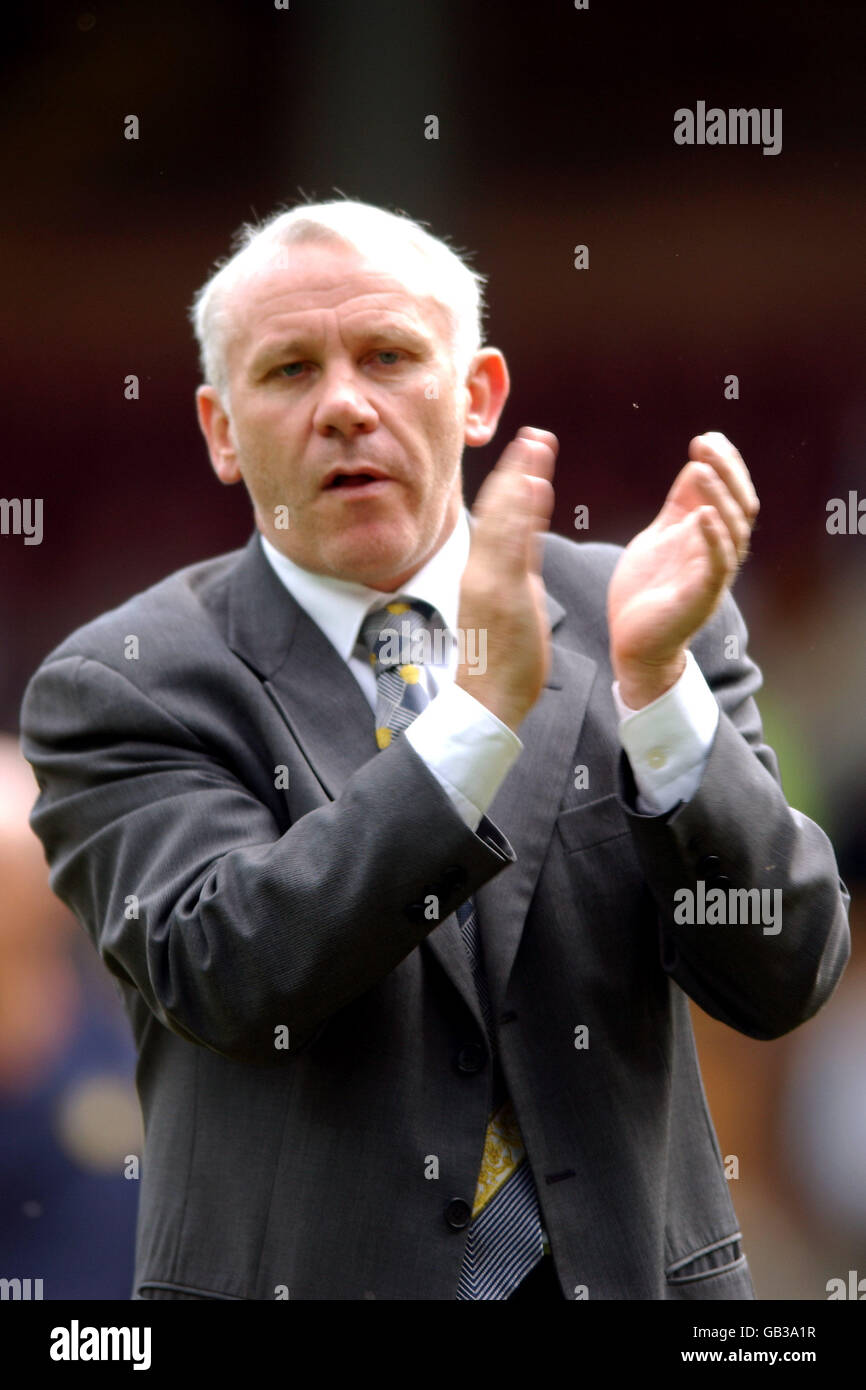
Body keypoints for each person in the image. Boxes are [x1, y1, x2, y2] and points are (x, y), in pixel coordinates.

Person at [19, 197, 849, 1301]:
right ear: (221, 430)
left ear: (477, 395)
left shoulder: (641, 617)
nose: (345, 407)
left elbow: (781, 972)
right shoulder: (120, 680)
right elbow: (230, 977)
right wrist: (473, 721)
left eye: (388, 355)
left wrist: (656, 693)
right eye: (288, 372)